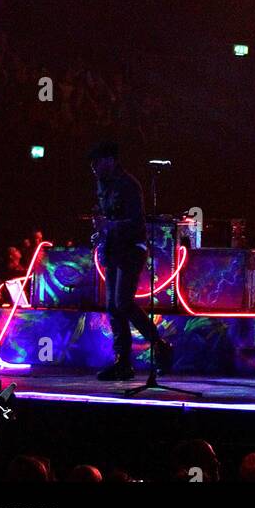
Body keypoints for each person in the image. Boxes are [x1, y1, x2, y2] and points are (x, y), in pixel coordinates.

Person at [89, 142, 173, 381]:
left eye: (97, 162)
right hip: (115, 248)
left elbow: (137, 223)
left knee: (123, 303)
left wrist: (109, 227)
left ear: (110, 160)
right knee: (114, 307)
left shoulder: (129, 185)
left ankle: (159, 345)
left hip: (132, 249)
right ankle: (122, 363)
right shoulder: (103, 184)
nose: (93, 168)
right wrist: (101, 232)